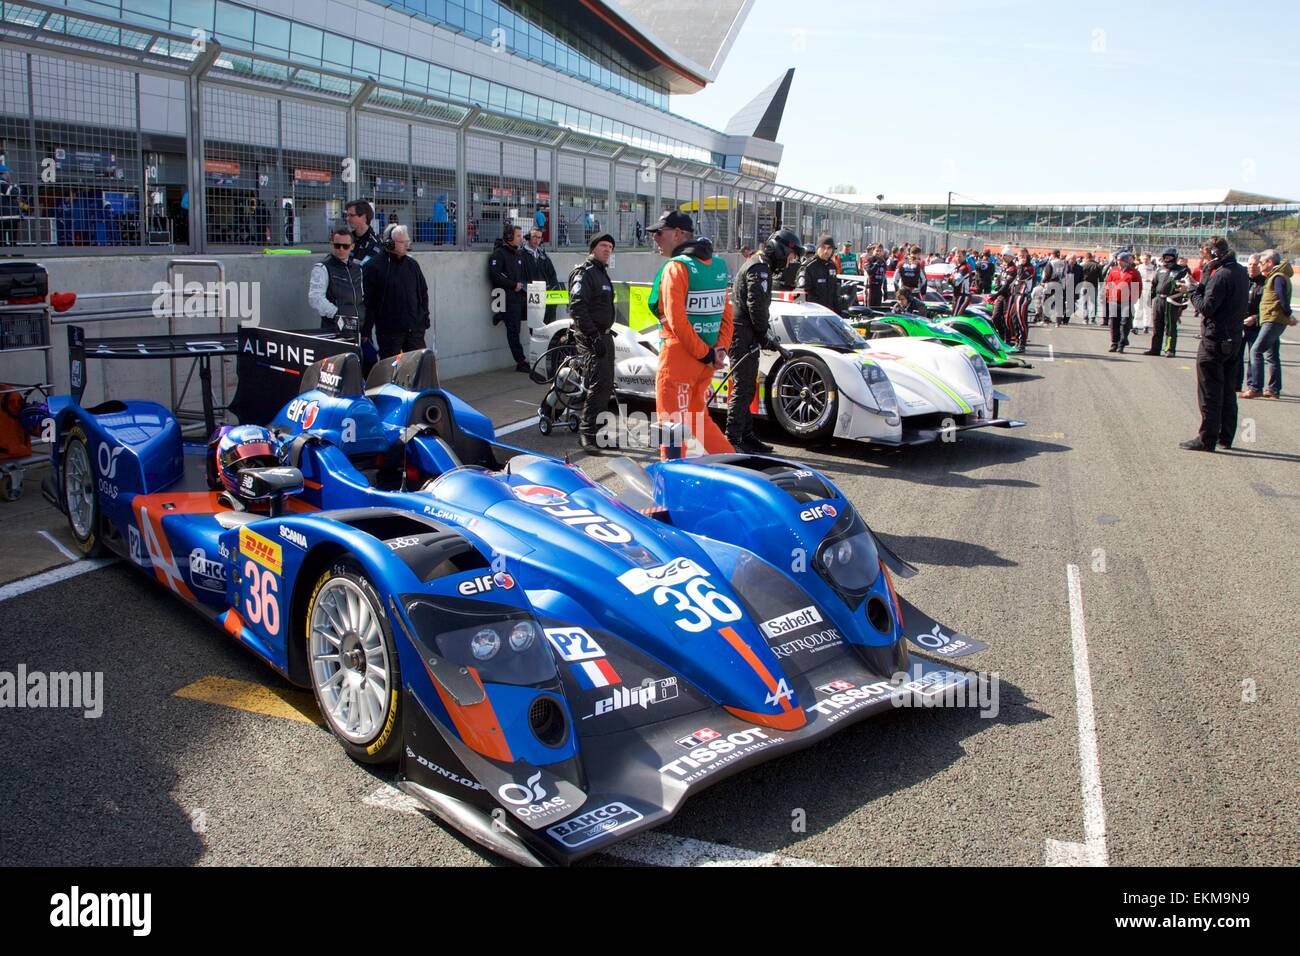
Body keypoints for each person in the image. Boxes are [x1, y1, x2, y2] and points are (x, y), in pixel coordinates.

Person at [646, 211, 733, 456]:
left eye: (659, 233)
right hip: (706, 362)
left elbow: (676, 321)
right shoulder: (718, 265)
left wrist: (705, 353)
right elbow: (727, 316)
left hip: (678, 360)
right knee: (699, 420)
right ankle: (736, 467)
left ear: (677, 234)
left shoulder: (675, 267)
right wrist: (719, 350)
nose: (655, 238)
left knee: (671, 426)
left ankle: (671, 483)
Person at [727, 228, 801, 452]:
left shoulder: (760, 264)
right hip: (743, 333)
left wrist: (762, 333)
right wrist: (764, 334)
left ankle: (746, 434)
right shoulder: (759, 267)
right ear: (780, 249)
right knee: (743, 387)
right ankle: (732, 440)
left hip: (747, 332)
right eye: (790, 257)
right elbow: (755, 305)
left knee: (749, 387)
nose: (789, 263)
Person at [1182, 236, 1248, 452]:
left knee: (1210, 390)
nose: (1203, 259)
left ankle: (1207, 438)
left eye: (1204, 254)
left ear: (1213, 254)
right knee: (1228, 389)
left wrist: (1192, 290)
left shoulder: (1221, 275)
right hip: (1233, 336)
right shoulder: (1239, 271)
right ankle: (1225, 436)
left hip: (1215, 338)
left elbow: (1207, 307)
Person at [568, 233, 617, 451]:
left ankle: (599, 433)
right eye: (603, 246)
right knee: (598, 385)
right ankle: (587, 434)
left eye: (610, 247)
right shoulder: (585, 273)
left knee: (606, 385)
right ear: (593, 248)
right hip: (591, 337)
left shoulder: (601, 273)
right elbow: (577, 306)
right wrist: (593, 336)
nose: (607, 250)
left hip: (604, 335)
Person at [363, 224, 430, 359]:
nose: (407, 245)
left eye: (408, 242)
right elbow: (369, 301)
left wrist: (423, 318)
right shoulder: (373, 267)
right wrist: (366, 329)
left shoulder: (412, 265)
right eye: (403, 242)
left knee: (417, 368)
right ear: (389, 243)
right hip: (389, 332)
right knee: (389, 370)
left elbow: (423, 292)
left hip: (414, 329)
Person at [1241, 250, 1294, 399]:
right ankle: (1273, 389)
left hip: (1272, 319)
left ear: (1270, 263)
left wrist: (1289, 314)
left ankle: (1256, 387)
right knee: (1272, 354)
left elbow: (1281, 299)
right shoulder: (1277, 276)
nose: (1260, 265)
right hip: (1272, 319)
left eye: (1262, 262)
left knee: (1255, 351)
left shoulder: (1276, 277)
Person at [308, 225, 366, 345]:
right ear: (332, 244)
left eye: (345, 246)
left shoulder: (357, 269)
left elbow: (362, 297)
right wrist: (337, 314)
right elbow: (315, 298)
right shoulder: (322, 267)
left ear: (352, 247)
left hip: (357, 329)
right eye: (337, 245)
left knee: (365, 361)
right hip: (334, 329)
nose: (341, 249)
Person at [487, 224, 529, 371]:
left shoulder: (518, 254)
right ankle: (521, 362)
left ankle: (501, 316)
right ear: (509, 237)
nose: (521, 238)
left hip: (519, 298)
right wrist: (513, 285)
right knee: (514, 331)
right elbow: (495, 276)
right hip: (508, 299)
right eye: (518, 235)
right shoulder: (499, 254)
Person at [1144, 247, 1188, 357]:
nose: (1167, 259)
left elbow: (1186, 288)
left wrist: (1182, 305)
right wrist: (1150, 298)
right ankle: (1155, 349)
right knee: (1156, 325)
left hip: (1172, 300)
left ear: (1175, 257)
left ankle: (1169, 349)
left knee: (1170, 326)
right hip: (1159, 300)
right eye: (1165, 256)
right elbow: (1154, 284)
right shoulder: (1159, 269)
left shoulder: (1182, 270)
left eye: (1170, 256)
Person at [1103, 251, 1141, 353]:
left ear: (1127, 262)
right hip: (1114, 301)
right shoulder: (1114, 271)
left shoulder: (1134, 273)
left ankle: (1122, 343)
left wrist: (1134, 299)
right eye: (1118, 261)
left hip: (1126, 302)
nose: (1119, 263)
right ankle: (1114, 343)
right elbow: (1108, 284)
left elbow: (1137, 287)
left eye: (1122, 261)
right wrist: (1108, 297)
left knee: (1125, 323)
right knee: (1113, 323)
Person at [521, 226, 561, 324]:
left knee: (548, 326)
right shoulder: (520, 255)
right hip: (530, 297)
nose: (537, 240)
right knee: (535, 328)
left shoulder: (543, 256)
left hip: (546, 296)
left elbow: (552, 275)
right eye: (534, 237)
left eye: (539, 238)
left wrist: (554, 290)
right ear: (528, 237)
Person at [1237, 254, 1265, 390]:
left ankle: (1254, 386)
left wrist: (1255, 318)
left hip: (1256, 325)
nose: (1252, 267)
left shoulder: (1266, 283)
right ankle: (1235, 384)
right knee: (1236, 356)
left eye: (1255, 265)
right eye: (1250, 264)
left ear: (1261, 266)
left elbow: (1269, 307)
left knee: (1254, 356)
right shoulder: (1242, 281)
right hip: (1239, 324)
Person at [796, 235, 840, 311]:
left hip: (829, 312)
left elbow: (835, 293)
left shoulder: (832, 266)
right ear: (818, 248)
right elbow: (800, 293)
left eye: (829, 248)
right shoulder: (808, 266)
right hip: (812, 312)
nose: (826, 251)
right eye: (823, 248)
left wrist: (838, 312)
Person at [346, 200, 383, 266]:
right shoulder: (348, 238)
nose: (347, 218)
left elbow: (366, 267)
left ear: (363, 217)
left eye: (351, 215)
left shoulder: (375, 242)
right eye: (347, 215)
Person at [1134, 252, 1155, 333]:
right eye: (1144, 259)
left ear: (1150, 259)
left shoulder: (1153, 268)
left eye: (1147, 259)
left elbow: (1155, 278)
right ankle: (1135, 325)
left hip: (1149, 289)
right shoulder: (1138, 267)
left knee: (1147, 308)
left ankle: (1146, 325)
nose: (1145, 260)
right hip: (1140, 289)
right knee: (1138, 307)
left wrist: (1150, 280)